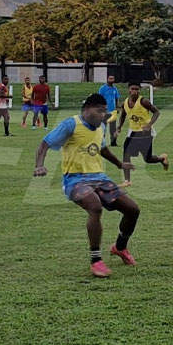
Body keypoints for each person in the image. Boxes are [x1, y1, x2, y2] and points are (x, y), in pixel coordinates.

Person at [33, 93, 142, 278]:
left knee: (133, 209)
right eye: (99, 110)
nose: (103, 114)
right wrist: (39, 165)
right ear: (86, 110)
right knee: (94, 206)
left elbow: (102, 148)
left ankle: (120, 247)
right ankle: (96, 260)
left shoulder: (101, 127)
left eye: (105, 111)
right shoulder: (71, 124)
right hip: (75, 179)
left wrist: (119, 164)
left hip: (100, 178)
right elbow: (45, 143)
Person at [117, 82, 169, 186]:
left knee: (148, 159)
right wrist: (119, 127)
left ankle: (162, 158)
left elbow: (156, 112)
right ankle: (127, 180)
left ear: (140, 90)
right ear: (128, 90)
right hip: (133, 131)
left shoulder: (144, 101)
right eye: (132, 89)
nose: (135, 91)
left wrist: (149, 125)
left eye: (137, 89)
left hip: (145, 132)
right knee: (126, 153)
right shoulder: (125, 103)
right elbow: (123, 115)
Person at [98, 74, 121, 146]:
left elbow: (117, 98)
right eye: (110, 78)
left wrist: (117, 107)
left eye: (112, 78)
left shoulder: (115, 89)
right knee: (103, 127)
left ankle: (113, 142)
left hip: (113, 112)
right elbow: (99, 98)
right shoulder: (102, 88)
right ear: (107, 79)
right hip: (104, 111)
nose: (111, 80)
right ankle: (101, 142)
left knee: (113, 128)